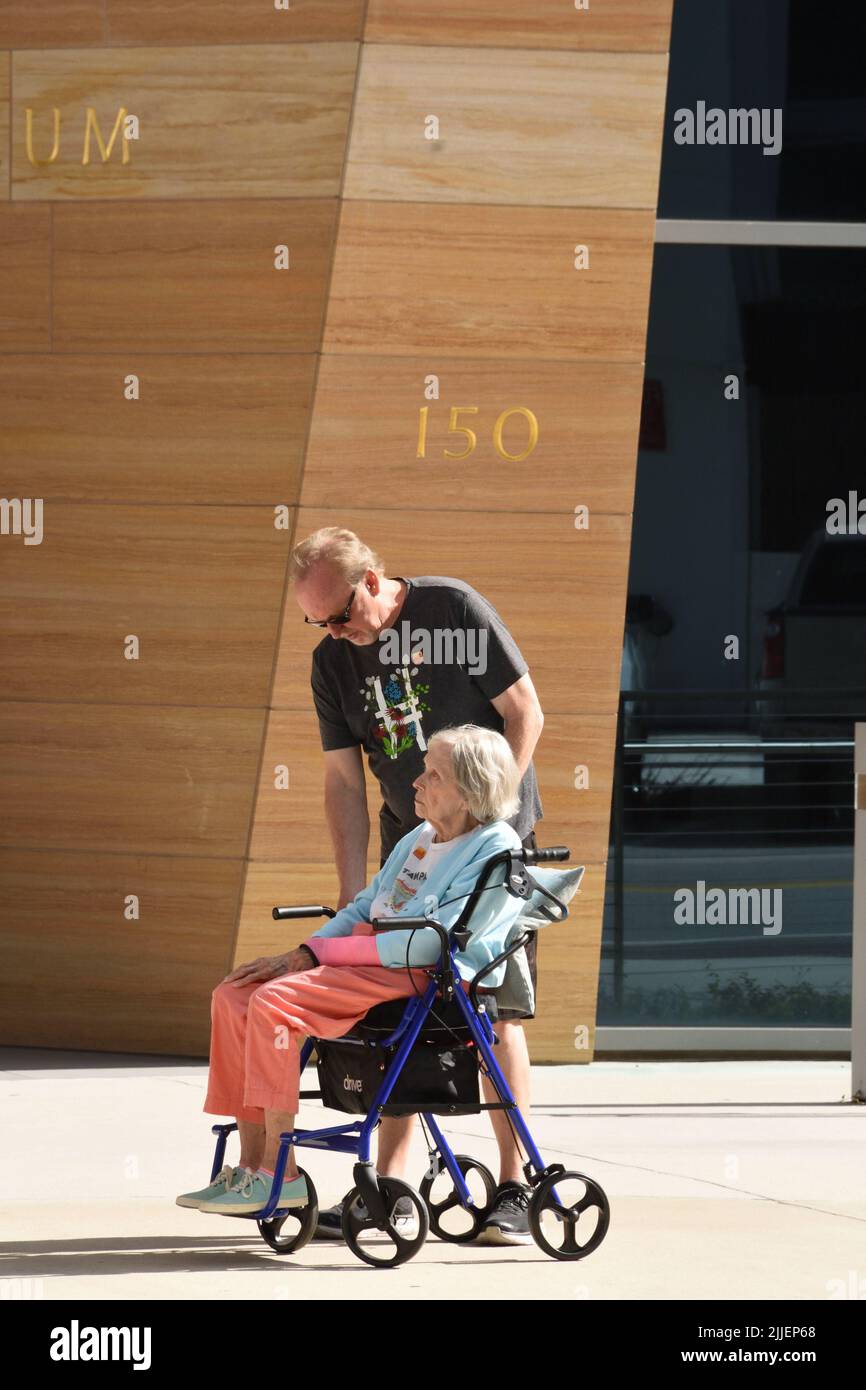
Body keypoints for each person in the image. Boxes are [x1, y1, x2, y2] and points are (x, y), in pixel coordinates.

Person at [290, 527, 545, 1244]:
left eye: (340, 616)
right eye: (319, 624)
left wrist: (489, 820)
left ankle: (514, 1186)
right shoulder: (331, 665)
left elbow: (526, 711)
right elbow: (343, 782)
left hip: (493, 850)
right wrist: (352, 892)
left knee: (496, 1013)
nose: (336, 634)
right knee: (397, 1014)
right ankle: (392, 1192)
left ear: (372, 579)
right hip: (414, 850)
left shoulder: (451, 610)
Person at [176, 726, 525, 1217]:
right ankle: (250, 1165)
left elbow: (432, 942)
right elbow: (366, 905)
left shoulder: (495, 847)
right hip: (371, 959)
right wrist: (306, 949)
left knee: (272, 1002)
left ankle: (281, 1172)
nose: (416, 783)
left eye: (433, 775)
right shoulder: (420, 837)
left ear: (469, 790)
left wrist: (326, 955)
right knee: (233, 994)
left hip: (421, 974)